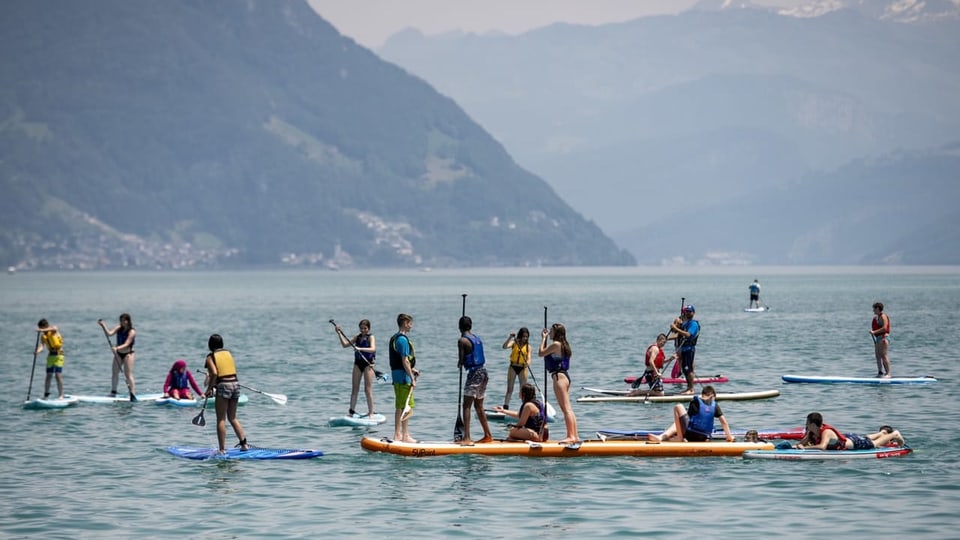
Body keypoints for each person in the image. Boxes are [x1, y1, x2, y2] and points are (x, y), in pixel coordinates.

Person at [203, 334, 248, 453]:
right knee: (232, 417)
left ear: (210, 345)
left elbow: (214, 373)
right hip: (236, 385)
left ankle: (222, 450)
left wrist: (209, 389)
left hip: (224, 386)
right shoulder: (228, 353)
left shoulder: (210, 357)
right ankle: (244, 444)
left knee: (221, 419)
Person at [647, 385, 734, 443]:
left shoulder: (695, 402)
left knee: (678, 406)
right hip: (704, 437)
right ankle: (664, 437)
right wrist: (729, 437)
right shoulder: (715, 405)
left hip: (691, 435)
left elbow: (688, 421)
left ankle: (677, 438)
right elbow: (724, 422)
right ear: (712, 396)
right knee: (679, 422)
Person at [539, 322, 579, 444]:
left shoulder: (556, 344)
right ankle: (575, 435)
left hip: (559, 378)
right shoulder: (564, 345)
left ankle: (571, 436)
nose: (550, 333)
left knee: (566, 409)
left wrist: (543, 338)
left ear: (556, 333)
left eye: (551, 331)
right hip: (564, 377)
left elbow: (541, 353)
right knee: (568, 408)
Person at [458, 316, 493, 444]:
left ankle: (467, 438)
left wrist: (460, 363)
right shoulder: (477, 339)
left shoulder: (462, 341)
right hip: (484, 373)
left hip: (474, 374)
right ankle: (488, 435)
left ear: (460, 327)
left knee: (466, 405)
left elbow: (461, 361)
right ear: (471, 326)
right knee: (479, 405)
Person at [794, 412, 905, 450]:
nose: (806, 425)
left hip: (854, 443)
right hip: (847, 437)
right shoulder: (811, 433)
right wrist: (794, 447)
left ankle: (895, 434)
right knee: (865, 437)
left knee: (874, 444)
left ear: (813, 424)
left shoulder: (826, 432)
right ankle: (882, 433)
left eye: (807, 422)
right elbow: (800, 444)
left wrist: (805, 448)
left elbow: (822, 447)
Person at [335, 319, 377, 417]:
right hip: (357, 364)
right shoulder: (357, 337)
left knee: (367, 389)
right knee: (355, 388)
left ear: (368, 329)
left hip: (368, 364)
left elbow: (373, 349)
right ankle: (351, 412)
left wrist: (360, 348)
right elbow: (345, 345)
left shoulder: (371, 337)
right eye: (361, 328)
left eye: (365, 328)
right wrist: (339, 333)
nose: (363, 330)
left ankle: (371, 412)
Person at [389, 313, 419, 443]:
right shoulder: (402, 339)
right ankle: (401, 435)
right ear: (405, 323)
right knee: (405, 405)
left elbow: (403, 362)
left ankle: (401, 434)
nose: (411, 326)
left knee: (402, 405)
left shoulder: (396, 338)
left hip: (399, 375)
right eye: (410, 323)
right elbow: (405, 361)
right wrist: (412, 377)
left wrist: (412, 370)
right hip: (403, 377)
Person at [98, 313, 137, 401]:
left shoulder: (132, 331)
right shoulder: (119, 327)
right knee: (114, 372)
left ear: (127, 321)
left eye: (123, 321)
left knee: (128, 374)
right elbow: (109, 333)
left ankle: (133, 393)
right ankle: (113, 392)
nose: (121, 322)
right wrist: (103, 325)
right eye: (120, 321)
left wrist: (116, 348)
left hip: (128, 354)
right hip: (119, 354)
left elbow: (127, 344)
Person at [501, 327, 531, 409]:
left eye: (526, 337)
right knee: (510, 389)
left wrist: (527, 364)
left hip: (522, 368)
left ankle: (524, 407)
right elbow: (504, 346)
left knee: (523, 390)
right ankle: (506, 406)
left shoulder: (528, 347)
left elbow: (529, 358)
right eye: (523, 336)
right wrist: (510, 337)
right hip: (513, 367)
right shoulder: (514, 343)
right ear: (520, 336)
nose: (525, 338)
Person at [36, 319, 65, 400]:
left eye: (42, 328)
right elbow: (41, 346)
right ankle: (46, 395)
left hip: (59, 355)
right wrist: (37, 352)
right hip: (50, 356)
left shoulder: (53, 330)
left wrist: (42, 329)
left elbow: (55, 329)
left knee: (58, 375)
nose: (42, 331)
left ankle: (61, 395)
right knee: (48, 375)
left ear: (45, 326)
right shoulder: (43, 336)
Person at [675, 305, 700, 394]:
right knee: (685, 369)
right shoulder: (686, 323)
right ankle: (688, 388)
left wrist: (676, 328)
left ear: (693, 313)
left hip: (689, 348)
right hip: (684, 348)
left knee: (688, 369)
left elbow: (688, 335)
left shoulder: (693, 324)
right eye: (687, 311)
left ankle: (691, 389)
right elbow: (677, 333)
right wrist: (676, 324)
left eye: (690, 311)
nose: (688, 313)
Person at [870, 302, 891, 378]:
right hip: (878, 338)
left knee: (884, 355)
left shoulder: (883, 316)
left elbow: (885, 328)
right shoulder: (877, 317)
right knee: (877, 355)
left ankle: (888, 373)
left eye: (874, 309)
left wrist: (874, 332)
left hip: (883, 337)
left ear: (878, 308)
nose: (873, 310)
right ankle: (880, 372)